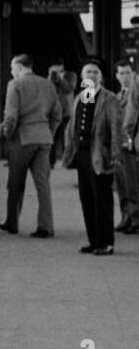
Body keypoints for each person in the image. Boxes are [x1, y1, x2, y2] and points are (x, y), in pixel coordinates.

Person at [62, 58, 124, 255]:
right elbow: (74, 124)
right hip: (82, 154)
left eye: (95, 72)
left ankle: (106, 243)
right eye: (88, 72)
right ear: (82, 76)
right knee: (86, 198)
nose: (92, 75)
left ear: (102, 77)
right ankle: (94, 240)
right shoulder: (81, 97)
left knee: (102, 199)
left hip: (100, 154)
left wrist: (115, 153)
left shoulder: (110, 98)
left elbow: (116, 128)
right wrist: (69, 149)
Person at [0, 54, 61, 237]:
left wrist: (8, 135)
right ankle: (45, 227)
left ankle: (12, 222)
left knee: (15, 183)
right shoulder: (48, 84)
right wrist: (49, 132)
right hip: (44, 139)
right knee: (43, 185)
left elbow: (11, 115)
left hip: (22, 139)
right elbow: (57, 114)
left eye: (12, 68)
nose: (11, 72)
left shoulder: (15, 85)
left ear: (19, 67)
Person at [115, 57, 139, 233]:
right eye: (121, 73)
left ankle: (135, 218)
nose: (125, 76)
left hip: (130, 143)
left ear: (134, 74)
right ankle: (126, 216)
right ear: (116, 76)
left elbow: (130, 119)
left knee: (132, 183)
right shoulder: (117, 96)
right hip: (119, 144)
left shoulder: (135, 92)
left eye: (128, 73)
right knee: (121, 183)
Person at [48, 59, 78, 168]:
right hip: (54, 112)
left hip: (67, 112)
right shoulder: (52, 77)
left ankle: (69, 161)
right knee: (52, 138)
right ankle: (51, 162)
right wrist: (50, 76)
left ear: (62, 66)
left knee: (68, 138)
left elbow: (69, 89)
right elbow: (48, 89)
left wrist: (61, 78)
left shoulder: (71, 75)